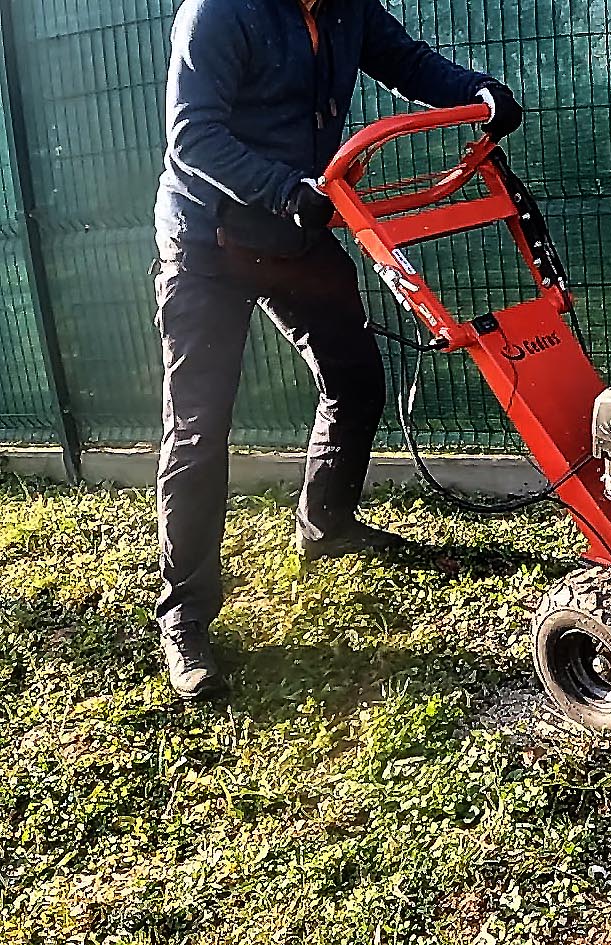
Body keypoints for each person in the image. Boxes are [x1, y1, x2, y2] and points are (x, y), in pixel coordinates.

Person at [152, 0, 522, 700]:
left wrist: (476, 93)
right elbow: (192, 139)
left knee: (354, 378)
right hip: (209, 242)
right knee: (199, 432)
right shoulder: (218, 14)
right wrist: (286, 191)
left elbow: (406, 61)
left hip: (296, 230)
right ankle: (186, 618)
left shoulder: (348, 7)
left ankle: (326, 523)